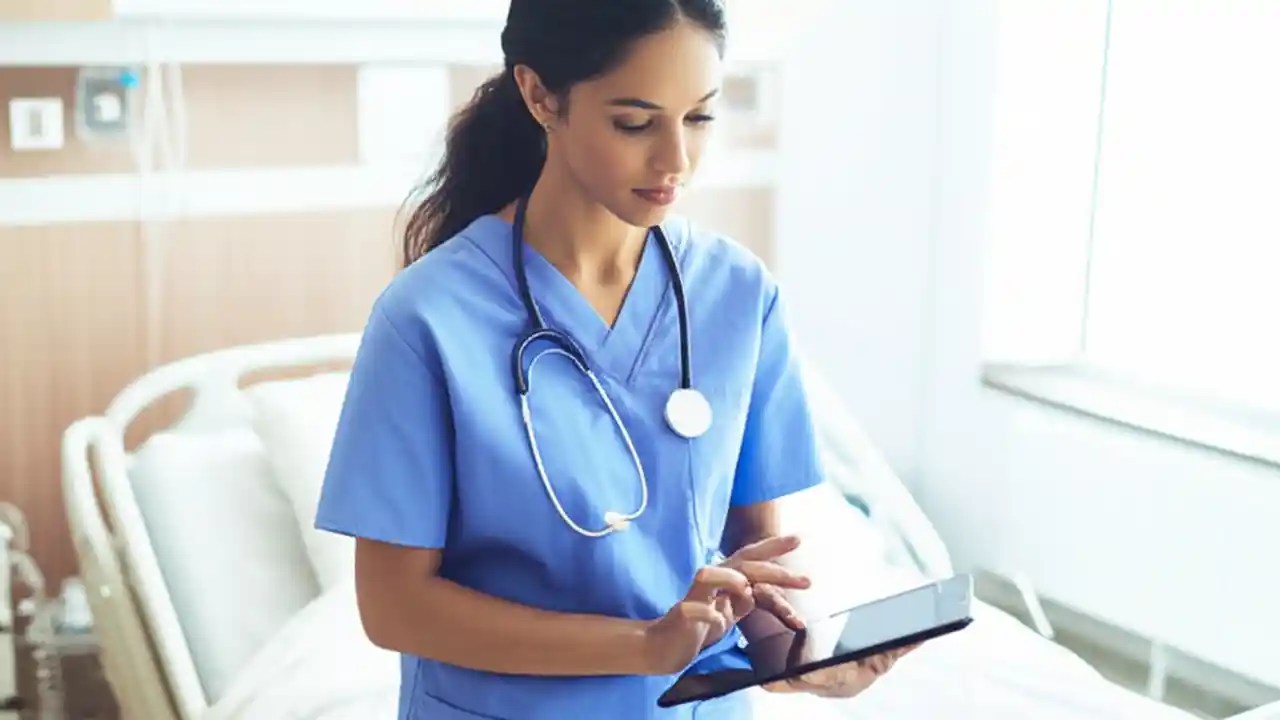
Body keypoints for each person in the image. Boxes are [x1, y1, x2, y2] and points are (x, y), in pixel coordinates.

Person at [314, 1, 917, 717]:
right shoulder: (429, 318)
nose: (676, 160)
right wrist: (642, 645)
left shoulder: (737, 294)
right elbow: (395, 607)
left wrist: (795, 652)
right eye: (635, 123)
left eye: (700, 117)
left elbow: (753, 545)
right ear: (541, 96)